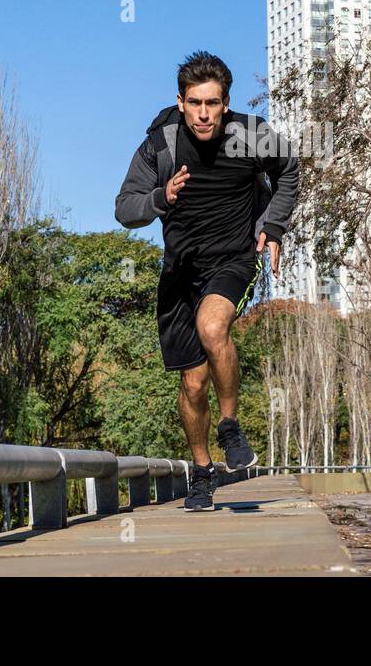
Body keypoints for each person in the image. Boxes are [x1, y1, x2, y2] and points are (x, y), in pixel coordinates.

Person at [115, 51, 300, 511]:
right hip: (182, 271)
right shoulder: (162, 145)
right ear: (180, 102)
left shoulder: (249, 136)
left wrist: (272, 227)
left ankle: (231, 425)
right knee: (194, 385)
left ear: (225, 103)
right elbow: (124, 207)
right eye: (195, 102)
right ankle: (202, 471)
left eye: (213, 103)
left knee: (213, 327)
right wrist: (162, 195)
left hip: (236, 259)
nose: (204, 113)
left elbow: (290, 170)